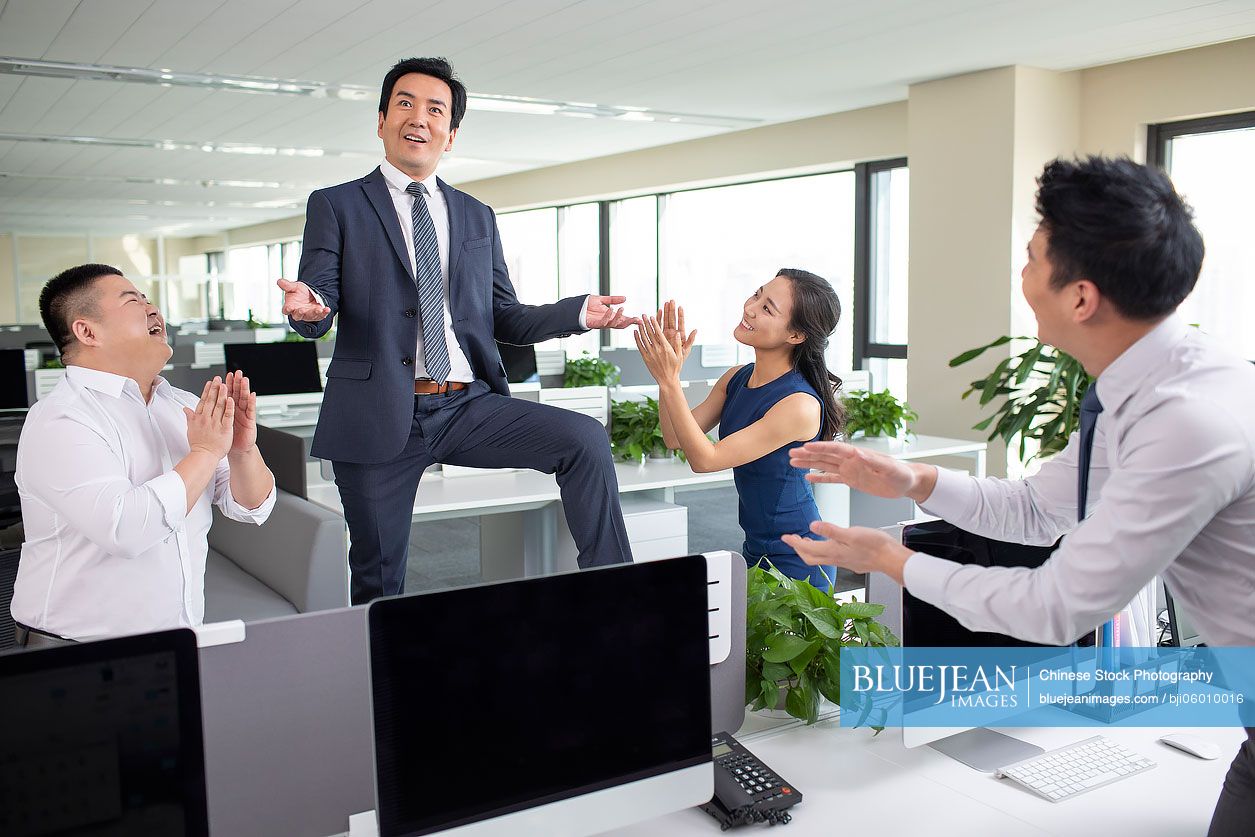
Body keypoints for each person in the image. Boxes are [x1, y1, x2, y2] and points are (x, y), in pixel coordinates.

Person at [784, 157, 1255, 836]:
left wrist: (892, 560)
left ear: (1081, 297)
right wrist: (910, 481)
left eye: (1032, 257)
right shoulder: (1155, 382)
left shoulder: (1186, 419)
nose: (1023, 274)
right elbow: (1040, 510)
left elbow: (1057, 606)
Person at [277, 57, 638, 604]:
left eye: (435, 109)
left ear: (451, 134)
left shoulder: (475, 215)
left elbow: (504, 317)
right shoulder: (337, 205)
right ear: (381, 121)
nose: (418, 118)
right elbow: (319, 296)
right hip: (377, 411)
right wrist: (312, 309)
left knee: (584, 438)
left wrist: (576, 313)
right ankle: (380, 680)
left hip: (466, 406)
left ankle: (621, 599)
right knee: (378, 577)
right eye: (404, 103)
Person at [10, 264, 276, 647]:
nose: (154, 310)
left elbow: (252, 508)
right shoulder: (61, 419)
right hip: (78, 652)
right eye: (133, 300)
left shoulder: (181, 405)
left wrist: (240, 450)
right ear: (87, 331)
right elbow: (126, 530)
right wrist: (204, 451)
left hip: (180, 639)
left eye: (149, 299)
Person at [634, 270, 845, 588]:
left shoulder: (799, 405)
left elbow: (705, 460)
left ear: (796, 335)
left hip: (801, 560)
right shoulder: (735, 378)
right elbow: (675, 437)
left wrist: (670, 379)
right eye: (757, 294)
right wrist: (667, 381)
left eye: (767, 308)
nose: (750, 307)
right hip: (756, 551)